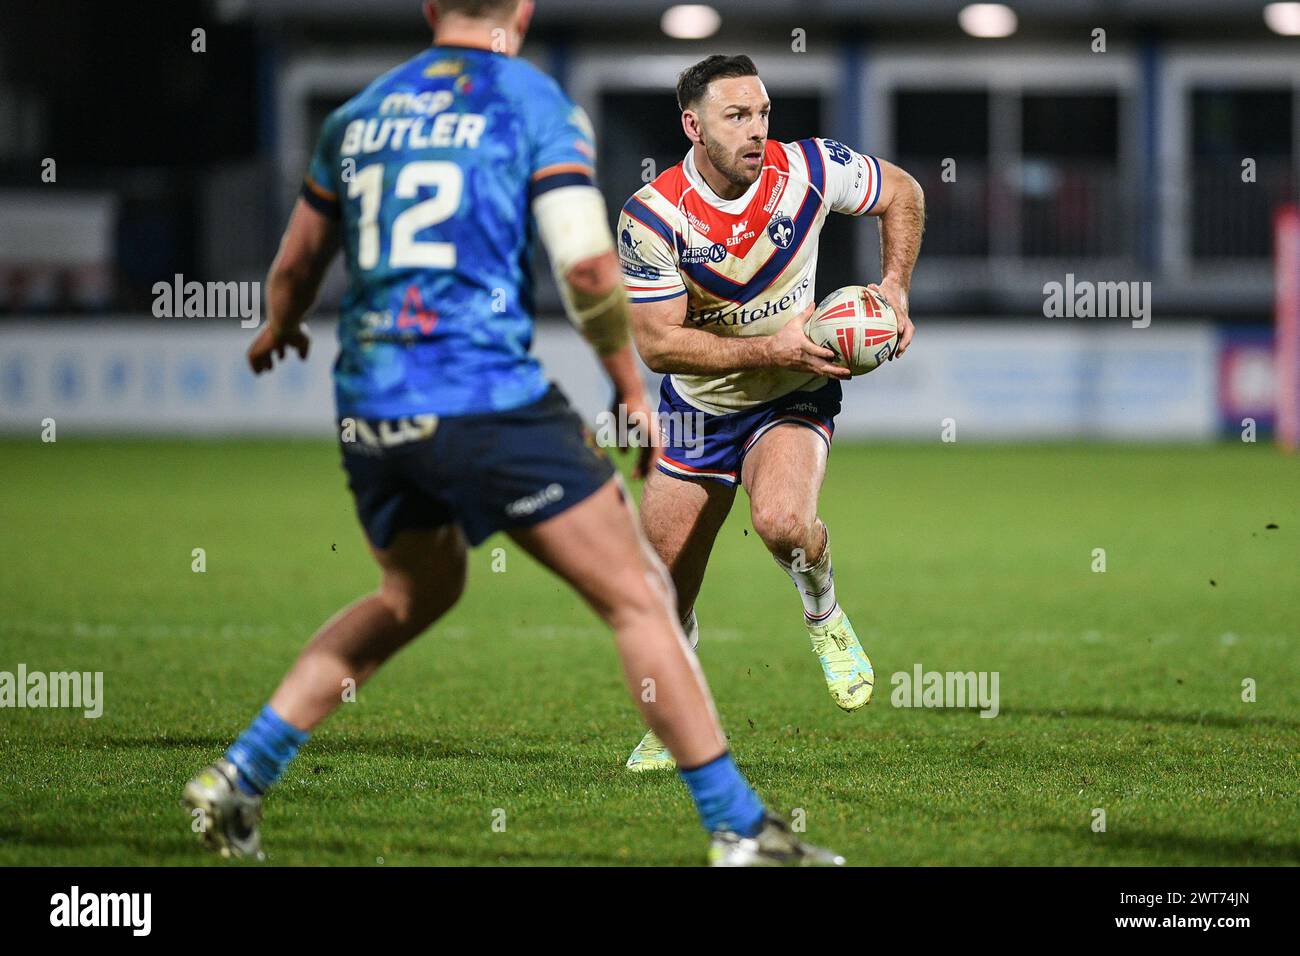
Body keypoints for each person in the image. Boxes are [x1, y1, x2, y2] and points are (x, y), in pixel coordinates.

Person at [182, 1, 842, 867]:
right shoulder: (529, 102)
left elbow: (300, 261)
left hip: (373, 406)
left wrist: (278, 325)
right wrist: (624, 390)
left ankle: (241, 774)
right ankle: (740, 829)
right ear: (522, 12)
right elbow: (583, 262)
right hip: (485, 399)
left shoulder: (357, 114)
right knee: (641, 594)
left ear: (428, 8)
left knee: (413, 595)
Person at [616, 54, 924, 770]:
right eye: (737, 116)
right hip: (696, 410)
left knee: (782, 523)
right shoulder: (653, 216)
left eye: (763, 114)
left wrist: (896, 288)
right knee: (661, 592)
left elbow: (901, 191)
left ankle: (824, 614)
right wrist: (770, 345)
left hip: (792, 394)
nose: (757, 131)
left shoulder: (809, 169)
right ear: (692, 126)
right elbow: (659, 346)